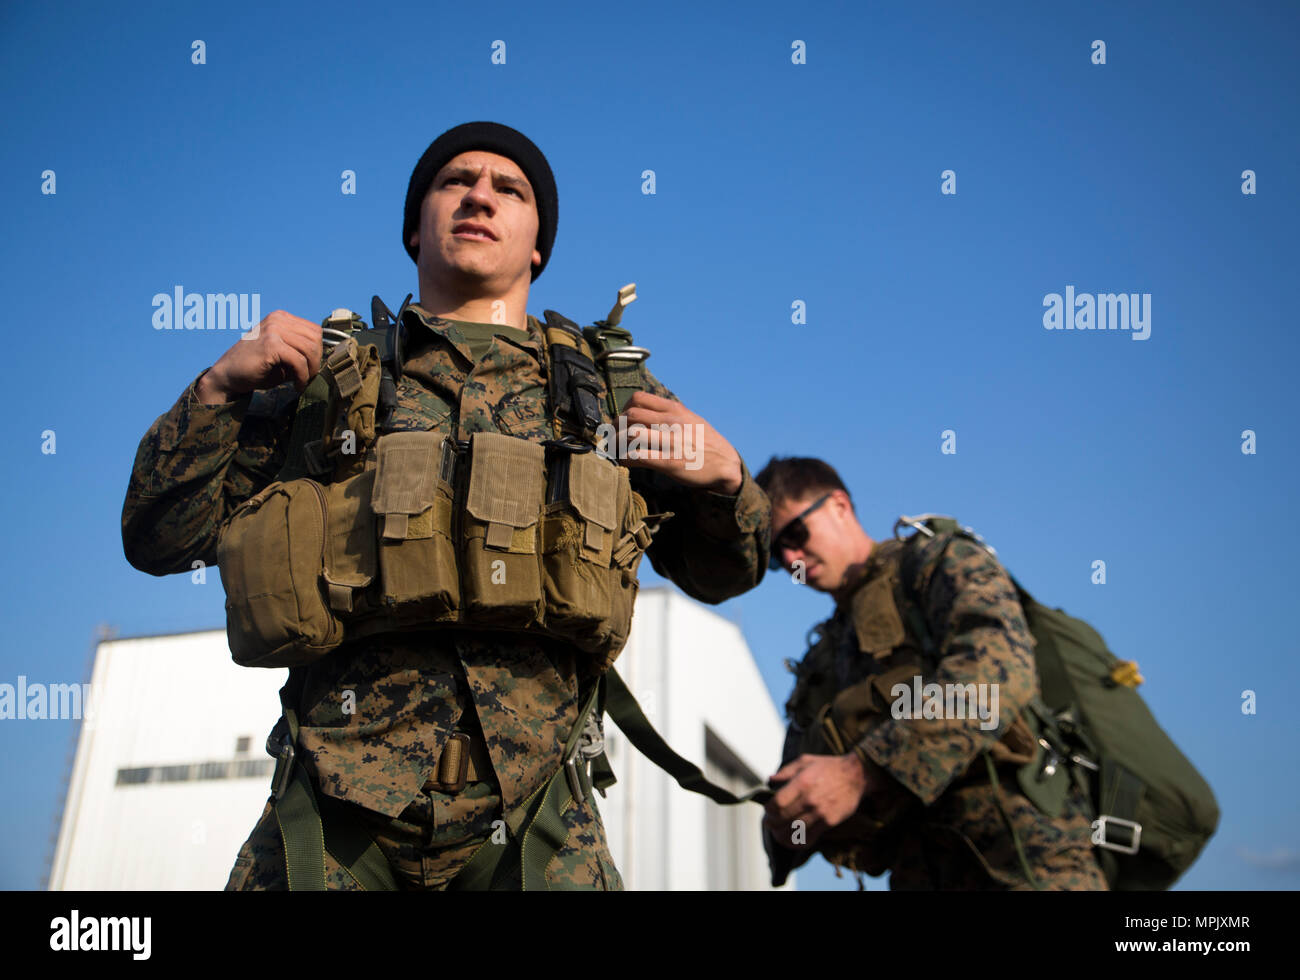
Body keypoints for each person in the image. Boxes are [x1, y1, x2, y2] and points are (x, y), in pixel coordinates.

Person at [121, 121, 769, 890]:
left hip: (538, 816)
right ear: (414, 229)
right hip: (338, 815)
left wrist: (732, 484)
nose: (480, 197)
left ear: (538, 244)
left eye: (509, 189)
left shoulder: (607, 390)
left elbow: (722, 572)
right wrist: (217, 391)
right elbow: (161, 538)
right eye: (455, 181)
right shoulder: (327, 378)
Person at [755, 456, 1106, 890]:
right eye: (775, 555)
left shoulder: (934, 563)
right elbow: (795, 786)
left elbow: (997, 674)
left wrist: (859, 772)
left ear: (839, 506)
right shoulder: (823, 659)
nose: (791, 557)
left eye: (795, 534)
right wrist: (786, 819)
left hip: (1026, 860)